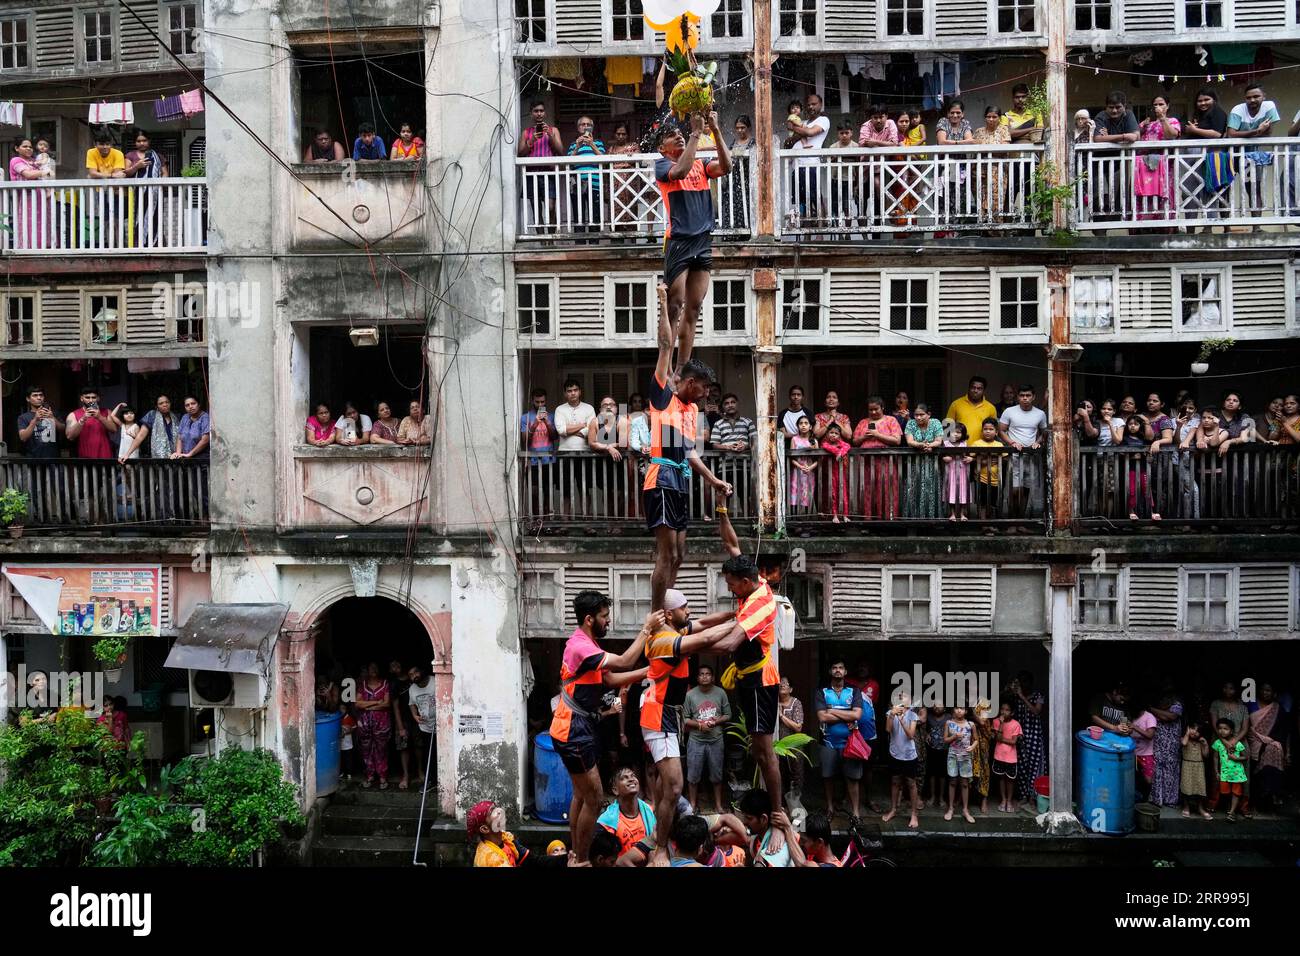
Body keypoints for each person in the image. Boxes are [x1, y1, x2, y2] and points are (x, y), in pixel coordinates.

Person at [549, 591, 656, 863]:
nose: (608, 621)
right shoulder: (580, 646)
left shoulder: (588, 644)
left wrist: (648, 672)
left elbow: (610, 678)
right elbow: (623, 662)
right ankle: (583, 858)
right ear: (589, 619)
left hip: (573, 725)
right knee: (595, 799)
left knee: (581, 794)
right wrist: (646, 630)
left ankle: (575, 851)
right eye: (605, 617)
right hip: (573, 728)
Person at [644, 282, 732, 610]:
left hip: (680, 480)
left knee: (681, 554)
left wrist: (713, 481)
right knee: (666, 555)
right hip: (661, 478)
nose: (707, 394)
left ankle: (665, 606)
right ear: (691, 383)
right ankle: (656, 616)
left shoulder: (692, 410)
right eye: (705, 388)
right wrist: (665, 302)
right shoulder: (664, 396)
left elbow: (690, 452)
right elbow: (666, 345)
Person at [641, 587, 738, 865]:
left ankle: (662, 830)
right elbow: (707, 636)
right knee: (674, 786)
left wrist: (734, 612)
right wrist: (744, 623)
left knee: (664, 783)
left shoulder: (676, 628)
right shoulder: (663, 639)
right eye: (685, 607)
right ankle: (660, 847)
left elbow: (707, 623)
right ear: (670, 614)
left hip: (668, 713)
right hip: (658, 714)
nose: (690, 611)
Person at [710, 551, 786, 851]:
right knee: (757, 749)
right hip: (747, 679)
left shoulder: (759, 605)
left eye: (731, 585)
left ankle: (779, 819)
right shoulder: (754, 580)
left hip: (760, 682)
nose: (729, 590)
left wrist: (684, 647)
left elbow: (730, 643)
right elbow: (731, 545)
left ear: (745, 582)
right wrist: (722, 509)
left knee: (766, 753)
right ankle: (766, 810)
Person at [655, 111, 731, 370]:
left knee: (694, 309)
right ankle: (664, 368)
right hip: (679, 242)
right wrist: (695, 134)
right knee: (674, 307)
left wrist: (716, 131)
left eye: (679, 134)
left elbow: (727, 167)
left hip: (702, 241)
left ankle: (681, 369)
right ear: (661, 148)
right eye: (670, 136)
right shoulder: (663, 165)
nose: (677, 136)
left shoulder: (701, 164)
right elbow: (680, 171)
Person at [816, 659, 865, 821]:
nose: (838, 670)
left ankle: (855, 813)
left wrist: (833, 711)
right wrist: (846, 714)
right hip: (827, 742)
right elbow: (822, 716)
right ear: (831, 672)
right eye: (834, 667)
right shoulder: (822, 692)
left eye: (841, 668)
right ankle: (830, 808)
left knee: (852, 778)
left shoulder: (854, 691)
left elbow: (857, 715)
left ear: (845, 672)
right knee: (828, 777)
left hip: (850, 743)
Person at [1227, 84, 1281, 221]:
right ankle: (1225, 226)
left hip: (1252, 155)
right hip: (1232, 154)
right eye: (1248, 97)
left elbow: (1268, 133)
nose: (1252, 100)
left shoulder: (1269, 106)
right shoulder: (1238, 110)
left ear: (1264, 96)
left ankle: (1256, 226)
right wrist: (1257, 131)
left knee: (1253, 189)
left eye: (1256, 96)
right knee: (1224, 189)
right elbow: (1231, 134)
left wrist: (1251, 133)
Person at [684, 664, 731, 813]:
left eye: (708, 674)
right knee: (693, 776)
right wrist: (699, 725)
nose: (704, 676)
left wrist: (715, 722)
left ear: (712, 677)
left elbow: (728, 714)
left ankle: (717, 805)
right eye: (701, 674)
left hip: (716, 740)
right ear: (697, 678)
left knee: (717, 775)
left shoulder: (721, 693)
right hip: (695, 741)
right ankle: (692, 804)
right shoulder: (690, 695)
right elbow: (684, 719)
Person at [998, 385, 1047, 518]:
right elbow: (1001, 430)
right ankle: (1012, 520)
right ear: (1018, 397)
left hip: (1031, 457)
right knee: (1014, 490)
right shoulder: (1009, 411)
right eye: (1022, 395)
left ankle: (1020, 520)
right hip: (1014, 456)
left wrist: (1038, 442)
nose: (1025, 398)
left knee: (1026, 489)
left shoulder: (1040, 414)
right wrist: (1012, 442)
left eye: (1028, 395)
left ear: (1033, 397)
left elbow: (1045, 432)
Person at [853, 396, 903, 520]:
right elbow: (854, 441)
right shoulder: (863, 422)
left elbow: (897, 440)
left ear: (883, 408)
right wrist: (864, 437)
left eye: (876, 409)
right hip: (866, 463)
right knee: (868, 491)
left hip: (886, 462)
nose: (873, 412)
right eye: (871, 410)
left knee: (886, 490)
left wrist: (877, 435)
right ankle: (868, 520)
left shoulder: (891, 420)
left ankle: (887, 519)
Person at [596, 766, 657, 865]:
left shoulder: (648, 811)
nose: (631, 779)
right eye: (624, 778)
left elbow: (655, 844)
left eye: (633, 775)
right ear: (615, 790)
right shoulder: (606, 822)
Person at [1209, 681, 1252, 817]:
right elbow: (1214, 725)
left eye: (1231, 688)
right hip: (1220, 742)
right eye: (1225, 687)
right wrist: (1225, 742)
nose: (1228, 690)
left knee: (1241, 775)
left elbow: (1245, 728)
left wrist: (1234, 740)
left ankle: (1243, 807)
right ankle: (1214, 803)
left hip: (1239, 743)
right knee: (1218, 773)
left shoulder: (1242, 707)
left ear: (1236, 690)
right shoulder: (1216, 704)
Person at [1135, 96, 1180, 222]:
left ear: (1167, 106)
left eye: (1161, 104)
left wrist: (1162, 119)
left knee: (1164, 194)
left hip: (1164, 166)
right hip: (1144, 167)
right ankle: (1143, 226)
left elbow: (1171, 135)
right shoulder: (1147, 123)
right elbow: (1135, 138)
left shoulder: (1172, 121)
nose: (1157, 107)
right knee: (1144, 195)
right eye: (1155, 105)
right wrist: (1141, 128)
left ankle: (1165, 225)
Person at [787, 94, 830, 225]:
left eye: (814, 104)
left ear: (820, 104)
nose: (811, 107)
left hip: (811, 164)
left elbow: (810, 133)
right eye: (809, 104)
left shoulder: (823, 120)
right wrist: (795, 133)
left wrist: (793, 127)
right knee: (801, 200)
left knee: (815, 196)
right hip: (797, 165)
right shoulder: (803, 123)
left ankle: (821, 228)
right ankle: (805, 230)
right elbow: (789, 141)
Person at [882, 693, 922, 829]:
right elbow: (888, 729)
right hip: (895, 754)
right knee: (895, 782)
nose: (901, 698)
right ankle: (893, 810)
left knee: (911, 784)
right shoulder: (890, 712)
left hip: (909, 756)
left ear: (910, 702)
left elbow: (911, 735)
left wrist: (901, 720)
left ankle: (914, 814)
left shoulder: (913, 715)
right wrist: (892, 715)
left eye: (904, 696)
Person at [935, 98, 974, 232]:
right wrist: (959, 143)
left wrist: (952, 142)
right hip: (944, 167)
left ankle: (957, 232)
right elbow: (941, 142)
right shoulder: (943, 122)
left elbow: (970, 140)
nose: (955, 115)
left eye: (958, 112)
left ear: (962, 114)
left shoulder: (965, 124)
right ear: (947, 113)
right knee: (943, 198)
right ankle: (943, 232)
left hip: (960, 167)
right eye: (952, 112)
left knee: (959, 198)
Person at [1247, 682, 1288, 811]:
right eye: (1263, 690)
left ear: (1274, 694)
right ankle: (1256, 801)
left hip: (1272, 742)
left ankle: (1270, 795)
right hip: (1253, 740)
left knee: (1272, 751)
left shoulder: (1278, 709)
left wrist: (1273, 742)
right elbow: (1246, 725)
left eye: (1269, 690)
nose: (1266, 693)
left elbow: (1284, 731)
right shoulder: (1251, 704)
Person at [1010, 671, 1046, 807]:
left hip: (1035, 737)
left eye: (1025, 681)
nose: (1023, 684)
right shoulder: (1016, 697)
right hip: (1021, 736)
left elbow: (1036, 711)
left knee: (1035, 767)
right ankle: (1023, 795)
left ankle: (1033, 796)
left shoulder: (1038, 696)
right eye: (1021, 681)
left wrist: (1022, 696)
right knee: (1022, 767)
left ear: (1030, 682)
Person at [904, 403, 944, 518]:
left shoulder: (936, 422)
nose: (919, 417)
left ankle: (932, 518)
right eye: (916, 415)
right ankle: (913, 518)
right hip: (914, 463)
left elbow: (939, 440)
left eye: (922, 414)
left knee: (930, 488)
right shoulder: (911, 423)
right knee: (913, 489)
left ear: (929, 415)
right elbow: (909, 441)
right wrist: (921, 445)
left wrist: (931, 445)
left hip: (931, 463)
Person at [566, 116, 605, 232]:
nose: (586, 126)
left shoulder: (598, 143)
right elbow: (568, 163)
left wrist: (592, 144)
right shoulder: (574, 145)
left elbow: (604, 160)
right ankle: (579, 243)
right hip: (577, 185)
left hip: (594, 184)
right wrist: (577, 146)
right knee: (579, 215)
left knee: (595, 215)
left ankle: (595, 243)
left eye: (588, 124)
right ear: (578, 128)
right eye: (583, 124)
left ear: (592, 128)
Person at [355, 662, 392, 789]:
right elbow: (357, 704)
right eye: (371, 668)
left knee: (381, 749)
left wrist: (367, 705)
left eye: (375, 668)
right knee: (366, 750)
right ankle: (370, 776)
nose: (373, 670)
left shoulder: (385, 683)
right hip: (365, 725)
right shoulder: (362, 685)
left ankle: (382, 777)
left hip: (381, 724)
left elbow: (387, 704)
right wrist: (376, 702)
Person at [973, 106, 1011, 223]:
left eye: (994, 117)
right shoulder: (979, 131)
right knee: (981, 198)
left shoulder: (1003, 130)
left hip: (998, 170)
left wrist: (984, 149)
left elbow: (1004, 148)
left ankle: (996, 231)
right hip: (980, 170)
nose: (991, 119)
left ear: (999, 118)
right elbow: (974, 150)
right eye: (988, 117)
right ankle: (983, 229)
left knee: (996, 199)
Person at [9, 139, 48, 250]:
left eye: (30, 147)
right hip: (26, 197)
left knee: (42, 222)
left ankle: (43, 247)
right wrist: (44, 172)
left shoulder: (34, 161)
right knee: (28, 223)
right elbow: (28, 175)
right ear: (17, 148)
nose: (28, 149)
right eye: (25, 146)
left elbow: (50, 173)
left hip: (40, 197)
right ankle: (28, 248)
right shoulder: (16, 160)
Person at [942, 705, 975, 823]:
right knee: (952, 782)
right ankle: (950, 808)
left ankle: (965, 810)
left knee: (965, 783)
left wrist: (973, 746)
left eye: (961, 708)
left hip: (965, 756)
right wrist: (954, 736)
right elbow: (945, 740)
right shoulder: (948, 723)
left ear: (966, 711)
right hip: (953, 755)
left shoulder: (971, 724)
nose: (959, 710)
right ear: (953, 710)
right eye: (956, 708)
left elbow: (975, 740)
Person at [406, 664, 437, 792]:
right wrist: (414, 716)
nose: (414, 676)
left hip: (441, 726)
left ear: (421, 671)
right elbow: (411, 704)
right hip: (425, 727)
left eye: (415, 672)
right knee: (428, 755)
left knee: (440, 754)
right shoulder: (412, 689)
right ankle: (431, 781)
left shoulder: (435, 682)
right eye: (411, 675)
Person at [66, 386, 117, 459]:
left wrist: (100, 417)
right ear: (81, 398)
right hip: (85, 456)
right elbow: (70, 436)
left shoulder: (107, 412)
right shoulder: (73, 415)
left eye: (93, 397)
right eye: (87, 397)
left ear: (98, 398)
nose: (91, 400)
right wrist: (83, 418)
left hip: (105, 455)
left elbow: (114, 429)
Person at [1212, 718, 1249, 821]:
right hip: (1224, 773)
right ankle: (1231, 808)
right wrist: (1216, 771)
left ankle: (1232, 813)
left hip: (1237, 773)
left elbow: (1245, 757)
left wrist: (1236, 758)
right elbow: (1215, 757)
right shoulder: (1218, 743)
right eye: (1220, 728)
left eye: (1225, 729)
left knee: (1236, 793)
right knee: (1225, 792)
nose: (1222, 731)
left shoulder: (1237, 743)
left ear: (1231, 731)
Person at [945, 376, 999, 445]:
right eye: (973, 387)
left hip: (981, 449)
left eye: (979, 388)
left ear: (983, 390)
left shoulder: (991, 408)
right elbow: (947, 427)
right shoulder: (956, 404)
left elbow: (994, 430)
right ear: (969, 388)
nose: (975, 390)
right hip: (959, 448)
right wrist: (947, 448)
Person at [468, 800, 523, 867]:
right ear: (485, 829)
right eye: (492, 811)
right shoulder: (491, 859)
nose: (500, 811)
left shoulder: (505, 837)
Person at [776, 676, 806, 800]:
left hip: (794, 747)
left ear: (791, 689)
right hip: (777, 746)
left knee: (796, 774)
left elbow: (798, 727)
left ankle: (795, 804)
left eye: (786, 683)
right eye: (780, 683)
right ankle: (781, 804)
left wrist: (781, 716)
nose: (782, 684)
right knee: (780, 774)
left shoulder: (796, 703)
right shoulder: (774, 702)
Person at [970, 417, 1004, 519]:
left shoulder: (999, 445)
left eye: (991, 429)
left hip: (995, 480)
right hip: (981, 479)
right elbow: (970, 458)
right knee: (982, 502)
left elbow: (1006, 458)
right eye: (985, 429)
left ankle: (991, 523)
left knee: (993, 503)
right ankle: (984, 524)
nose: (988, 431)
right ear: (982, 431)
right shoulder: (977, 444)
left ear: (996, 432)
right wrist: (983, 461)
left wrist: (998, 459)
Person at [16, 386, 63, 458]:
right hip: (33, 459)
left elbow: (63, 430)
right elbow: (23, 437)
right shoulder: (23, 417)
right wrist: (35, 419)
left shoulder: (53, 414)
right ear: (28, 399)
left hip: (53, 458)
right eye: (35, 395)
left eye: (41, 395)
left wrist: (52, 418)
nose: (39, 398)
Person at [992, 700, 1021, 812]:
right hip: (999, 756)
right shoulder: (996, 721)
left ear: (1012, 713)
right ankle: (1003, 799)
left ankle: (1009, 800)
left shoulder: (1016, 724)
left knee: (1010, 780)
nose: (1004, 712)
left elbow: (1013, 742)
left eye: (1007, 710)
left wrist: (1001, 739)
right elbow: (996, 738)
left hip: (1011, 757)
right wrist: (1001, 724)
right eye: (1002, 709)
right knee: (1001, 779)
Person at [132, 395, 182, 459]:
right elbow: (141, 435)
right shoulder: (152, 415)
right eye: (161, 403)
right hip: (158, 455)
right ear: (156, 406)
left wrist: (178, 452)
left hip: (176, 454)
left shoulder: (176, 417)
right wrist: (127, 454)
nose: (165, 404)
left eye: (167, 402)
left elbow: (181, 437)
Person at [1181, 721, 1212, 819]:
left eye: (1197, 731)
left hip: (1199, 766)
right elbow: (1184, 743)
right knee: (1186, 787)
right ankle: (1186, 807)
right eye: (1192, 729)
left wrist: (1205, 744)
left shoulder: (1201, 741)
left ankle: (1200, 808)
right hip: (1187, 765)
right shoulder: (1184, 739)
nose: (1194, 732)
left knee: (1200, 787)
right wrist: (1187, 733)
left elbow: (1206, 755)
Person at [943, 422, 973, 521]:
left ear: (963, 434)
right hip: (950, 471)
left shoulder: (964, 444)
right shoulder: (946, 444)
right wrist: (944, 458)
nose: (955, 434)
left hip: (963, 471)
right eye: (953, 432)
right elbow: (941, 456)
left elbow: (969, 455)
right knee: (950, 491)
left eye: (958, 432)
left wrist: (970, 458)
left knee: (963, 492)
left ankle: (962, 514)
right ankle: (952, 514)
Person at [788, 416, 818, 512]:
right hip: (797, 471)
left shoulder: (814, 441)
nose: (803, 425)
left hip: (809, 471)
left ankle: (806, 518)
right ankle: (795, 518)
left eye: (806, 423)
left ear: (810, 427)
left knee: (807, 494)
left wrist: (810, 467)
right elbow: (791, 458)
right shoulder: (794, 439)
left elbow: (818, 459)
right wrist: (800, 466)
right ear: (798, 426)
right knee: (795, 493)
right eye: (801, 423)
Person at [1131, 704, 1158, 799]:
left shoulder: (1149, 717)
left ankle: (1145, 802)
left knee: (1147, 780)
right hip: (1132, 753)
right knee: (1133, 778)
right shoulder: (1131, 716)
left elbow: (1150, 735)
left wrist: (1134, 727)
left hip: (1146, 754)